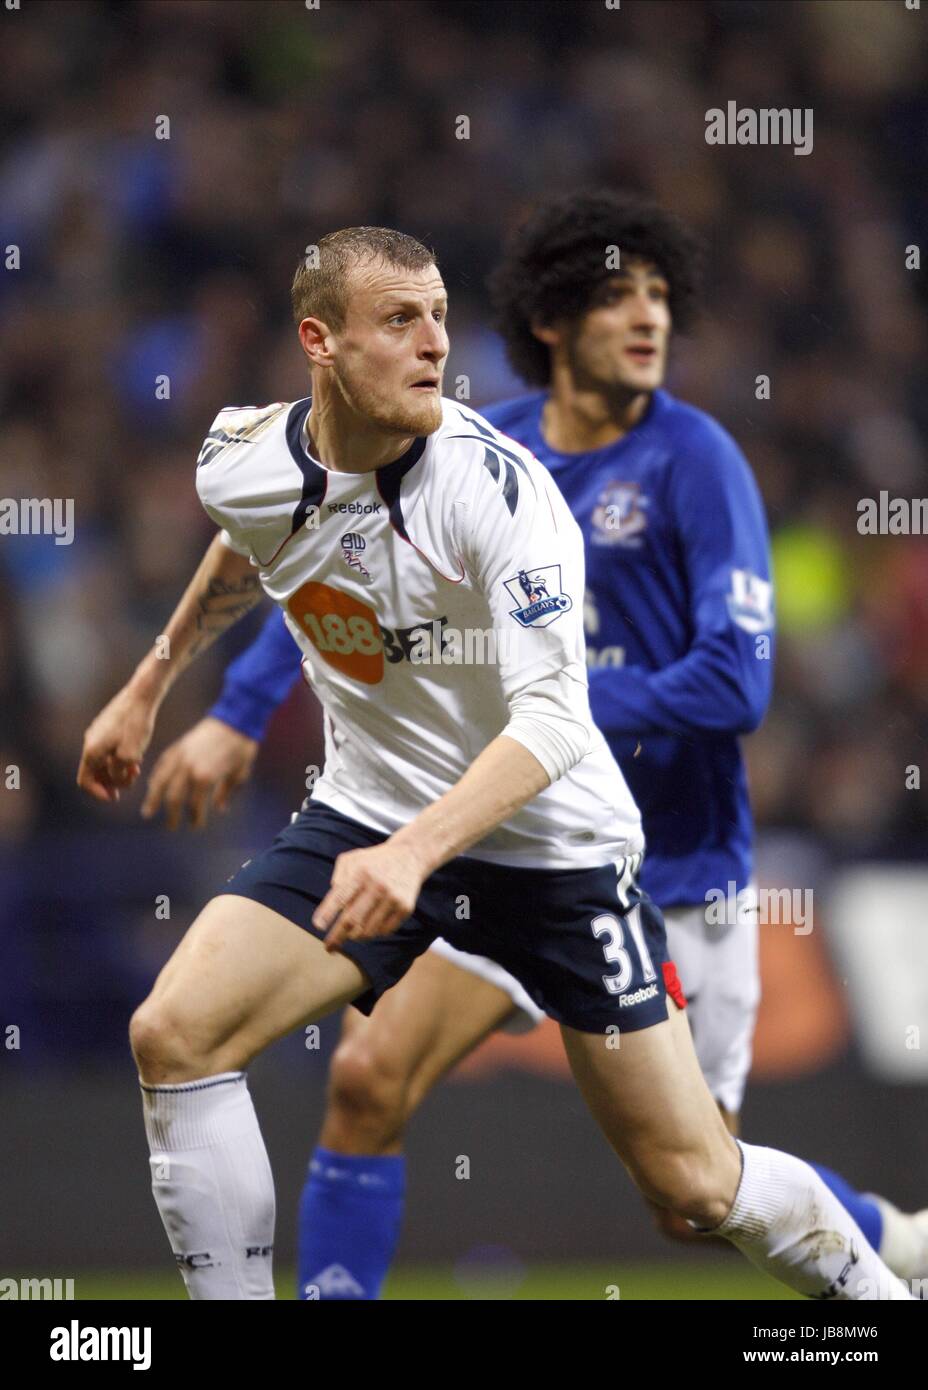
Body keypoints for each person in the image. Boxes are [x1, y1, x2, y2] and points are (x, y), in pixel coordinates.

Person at [78, 223, 913, 1301]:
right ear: (318, 342)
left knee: (695, 1186)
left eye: (437, 314)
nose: (434, 341)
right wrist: (152, 682)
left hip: (551, 846)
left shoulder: (501, 495)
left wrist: (414, 855)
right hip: (370, 812)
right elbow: (251, 537)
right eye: (399, 319)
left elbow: (557, 725)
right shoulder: (239, 454)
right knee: (176, 1031)